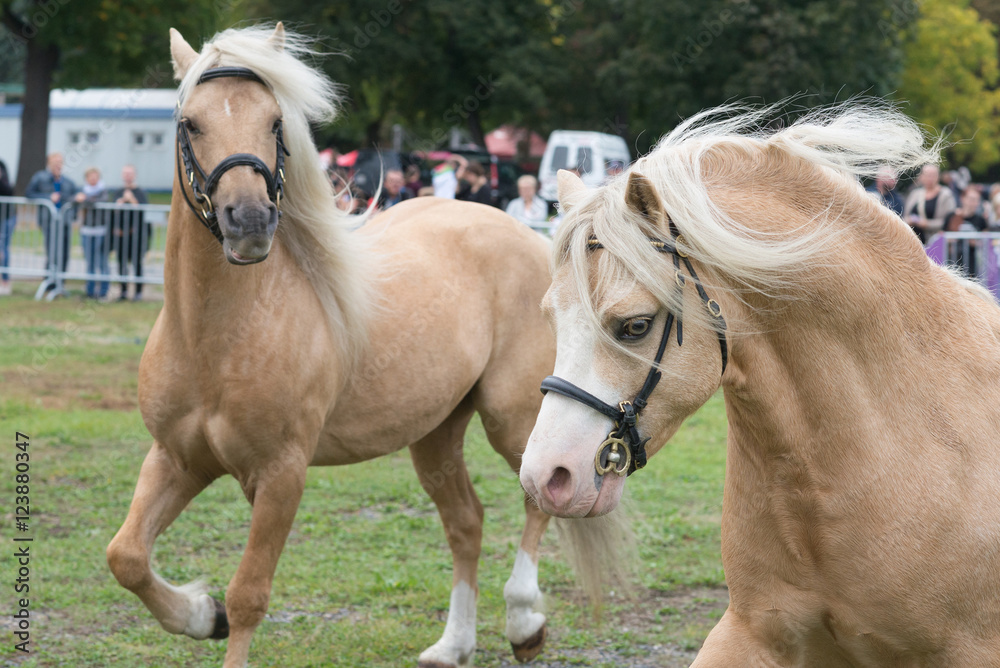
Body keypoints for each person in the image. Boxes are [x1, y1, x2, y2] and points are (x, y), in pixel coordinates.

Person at [26, 152, 79, 292]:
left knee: (64, 252)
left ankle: (61, 282)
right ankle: (50, 282)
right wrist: (47, 197)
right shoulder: (40, 178)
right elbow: (29, 193)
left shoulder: (68, 182)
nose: (58, 165)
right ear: (49, 163)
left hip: (65, 222)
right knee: (52, 252)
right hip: (49, 222)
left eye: (60, 162)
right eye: (55, 162)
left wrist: (75, 207)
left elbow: (75, 197)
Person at [110, 165, 149, 301]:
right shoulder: (118, 192)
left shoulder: (140, 192)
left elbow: (144, 211)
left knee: (137, 263)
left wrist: (132, 200)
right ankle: (123, 291)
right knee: (121, 264)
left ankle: (138, 292)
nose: (127, 176)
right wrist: (120, 203)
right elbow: (111, 211)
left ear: (134, 175)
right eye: (125, 173)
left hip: (135, 235)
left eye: (130, 173)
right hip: (120, 235)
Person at [903, 164, 956, 244]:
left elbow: (949, 221)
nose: (930, 178)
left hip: (936, 241)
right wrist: (910, 220)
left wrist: (927, 224)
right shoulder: (915, 194)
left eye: (933, 175)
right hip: (914, 241)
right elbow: (905, 216)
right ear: (921, 177)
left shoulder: (946, 195)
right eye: (927, 175)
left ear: (938, 176)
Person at [78, 167, 110, 299]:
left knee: (102, 262)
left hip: (100, 231)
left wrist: (85, 200)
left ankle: (103, 291)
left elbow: (98, 202)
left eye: (95, 176)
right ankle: (90, 291)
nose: (92, 179)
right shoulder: (82, 191)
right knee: (89, 263)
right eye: (90, 177)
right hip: (86, 230)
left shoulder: (103, 191)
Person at [0, 159, 14, 295]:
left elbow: (9, 191)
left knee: (2, 249)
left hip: (6, 216)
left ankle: (4, 280)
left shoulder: (2, 164)